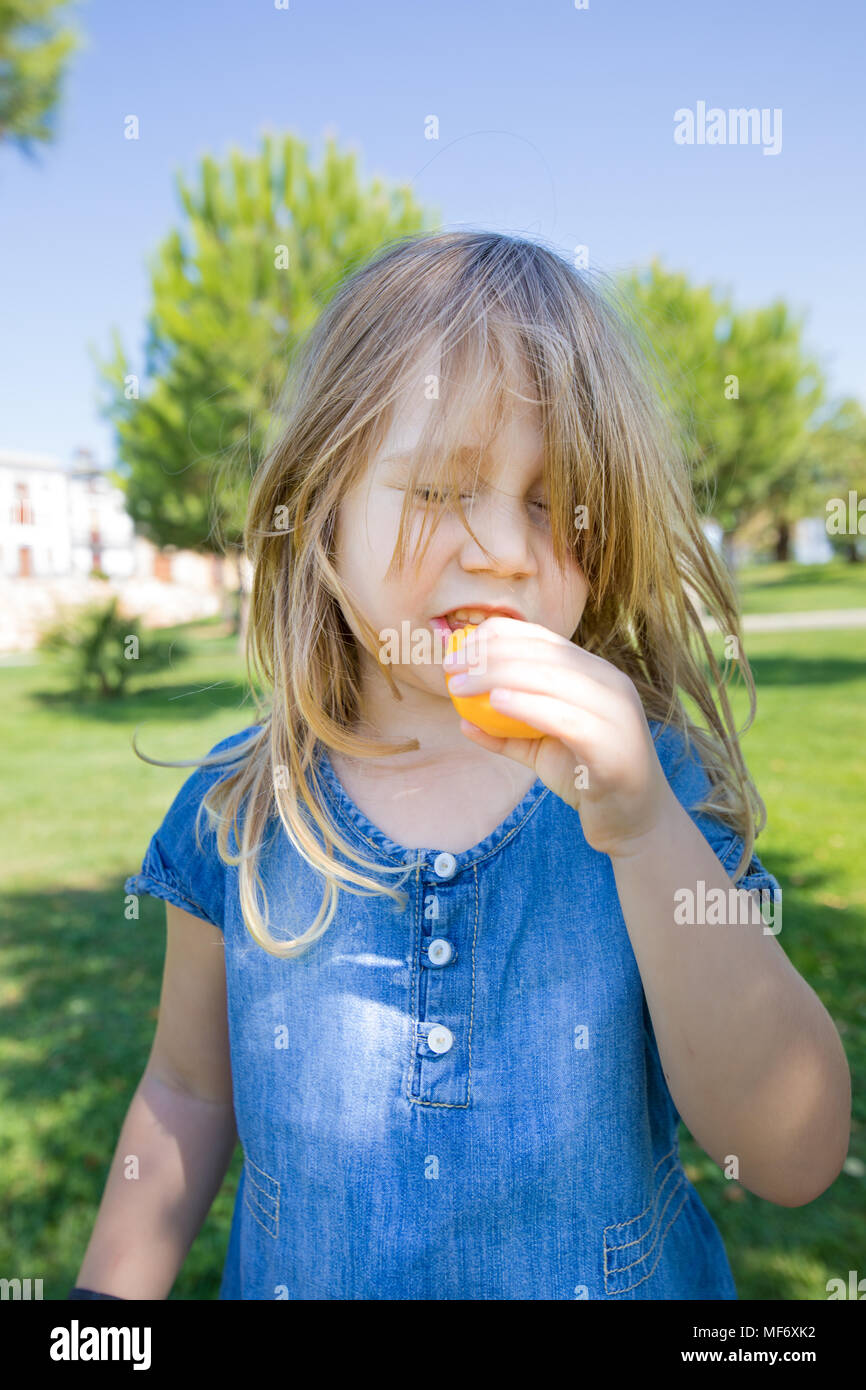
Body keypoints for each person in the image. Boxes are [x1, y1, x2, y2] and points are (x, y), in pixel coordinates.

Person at [71, 231, 850, 1301]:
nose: (503, 548)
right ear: (322, 509)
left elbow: (787, 1156)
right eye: (441, 488)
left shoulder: (650, 786)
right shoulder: (241, 811)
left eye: (553, 502)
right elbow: (188, 1090)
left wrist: (642, 830)